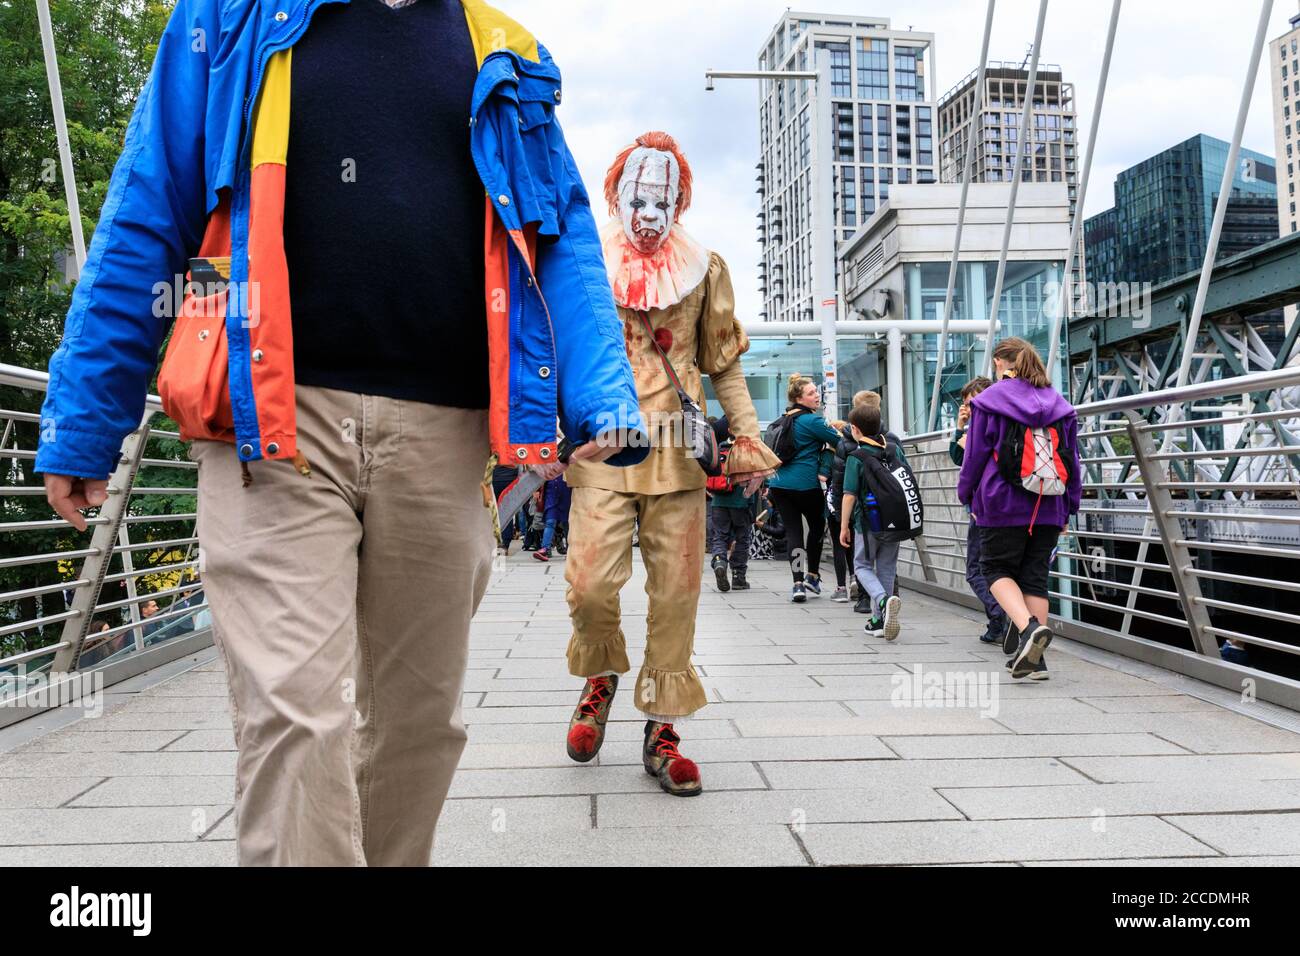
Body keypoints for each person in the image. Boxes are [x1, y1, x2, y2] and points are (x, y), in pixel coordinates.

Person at [37, 0, 648, 866]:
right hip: (270, 427)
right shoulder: (230, 17)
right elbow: (149, 206)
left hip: (446, 433)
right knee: (295, 714)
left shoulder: (503, 47)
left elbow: (562, 234)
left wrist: (602, 396)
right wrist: (85, 418)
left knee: (419, 724)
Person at [561, 131, 780, 797]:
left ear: (679, 203)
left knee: (678, 593)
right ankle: (601, 677)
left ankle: (662, 729)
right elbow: (555, 351)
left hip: (679, 453)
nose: (650, 215)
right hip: (603, 449)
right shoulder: (585, 261)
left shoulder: (703, 269)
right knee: (589, 587)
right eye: (639, 200)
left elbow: (724, 367)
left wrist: (746, 442)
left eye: (663, 201)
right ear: (617, 198)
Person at [957, 337, 1082, 681]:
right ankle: (1035, 663)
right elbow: (1073, 461)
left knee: (994, 568)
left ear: (1000, 362)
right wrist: (1070, 506)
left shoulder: (989, 402)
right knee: (1034, 579)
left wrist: (966, 494)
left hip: (1002, 502)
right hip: (1049, 503)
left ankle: (1028, 630)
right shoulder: (1059, 404)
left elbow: (975, 457)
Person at [767, 375, 844, 602]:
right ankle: (813, 575)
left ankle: (797, 583)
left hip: (779, 485)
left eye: (816, 391)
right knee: (817, 528)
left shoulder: (782, 420)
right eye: (811, 393)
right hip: (806, 485)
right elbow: (841, 442)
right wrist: (826, 454)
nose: (817, 395)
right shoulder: (813, 421)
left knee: (794, 533)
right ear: (799, 398)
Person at [839, 403, 908, 640]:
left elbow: (849, 495)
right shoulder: (894, 449)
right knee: (887, 567)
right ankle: (879, 621)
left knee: (861, 566)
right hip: (896, 519)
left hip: (868, 521)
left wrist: (843, 526)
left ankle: (882, 600)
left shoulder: (857, 457)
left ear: (855, 429)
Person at [949, 376, 1008, 646]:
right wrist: (959, 428)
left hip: (983, 509)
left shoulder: (984, 429)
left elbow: (968, 464)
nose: (969, 409)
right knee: (996, 569)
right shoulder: (995, 423)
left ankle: (1002, 616)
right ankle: (997, 624)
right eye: (966, 405)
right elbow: (958, 458)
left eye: (972, 403)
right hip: (1003, 507)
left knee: (976, 570)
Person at [708, 433, 754, 593]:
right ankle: (738, 577)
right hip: (740, 501)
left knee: (719, 536)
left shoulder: (720, 447)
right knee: (742, 538)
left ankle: (719, 561)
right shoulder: (749, 448)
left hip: (718, 500)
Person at [533, 473, 571, 562]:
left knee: (567, 522)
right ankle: (545, 549)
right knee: (550, 521)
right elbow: (541, 470)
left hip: (567, 490)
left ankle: (571, 550)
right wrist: (536, 489)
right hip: (552, 490)